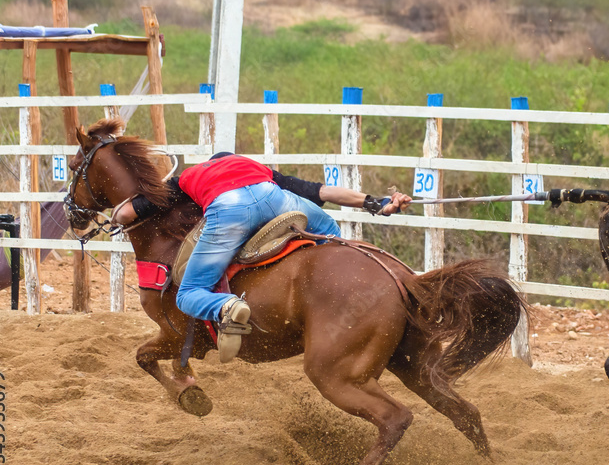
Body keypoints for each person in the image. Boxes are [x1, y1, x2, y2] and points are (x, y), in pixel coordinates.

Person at [113, 153, 411, 363]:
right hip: (273, 196)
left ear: (211, 163)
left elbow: (126, 214)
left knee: (188, 294)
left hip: (229, 210)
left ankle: (227, 305)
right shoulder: (254, 166)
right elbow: (324, 191)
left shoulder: (187, 178)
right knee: (331, 234)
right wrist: (379, 203)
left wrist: (116, 212)